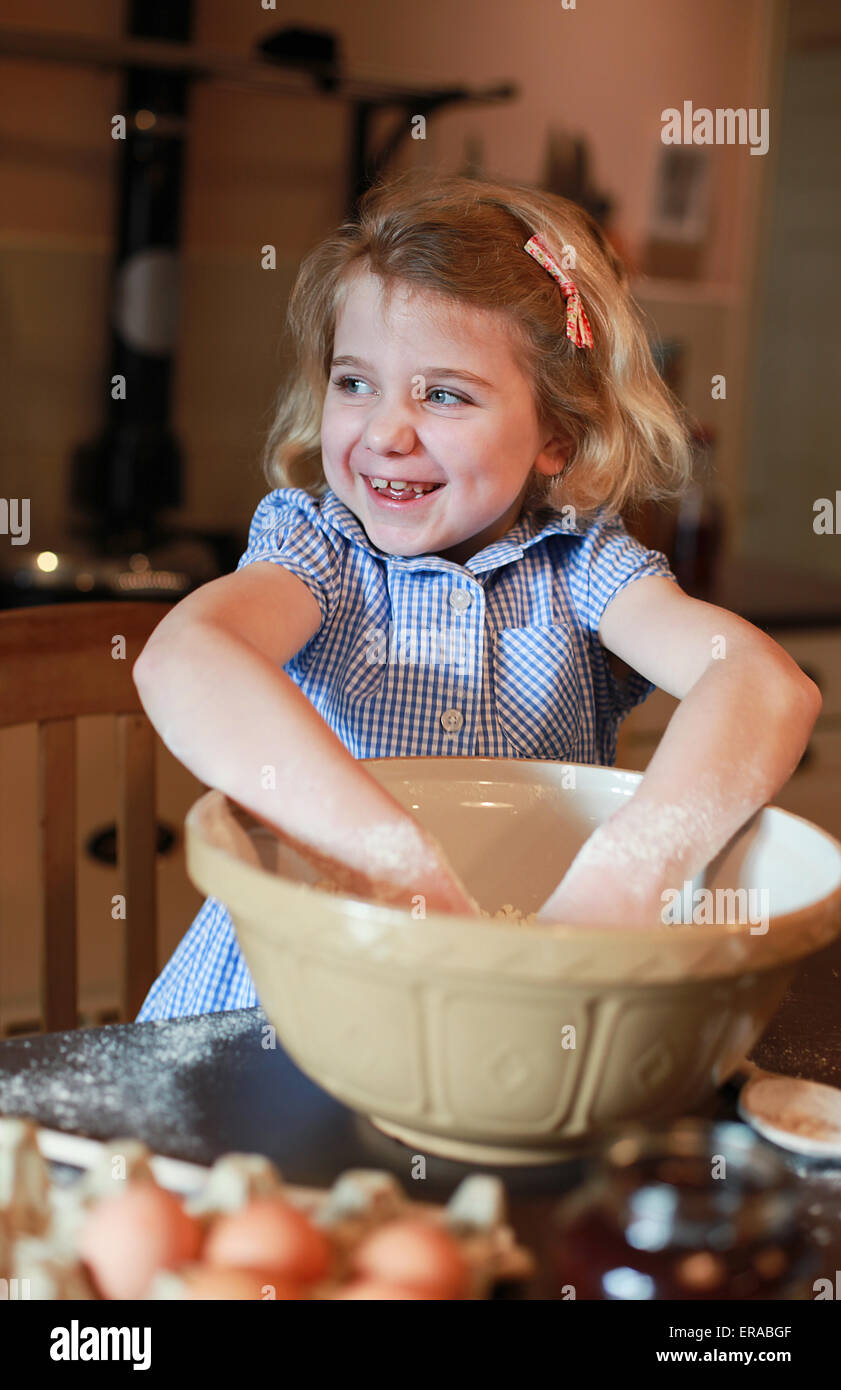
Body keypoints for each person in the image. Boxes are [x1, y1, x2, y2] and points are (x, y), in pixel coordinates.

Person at [133, 171, 819, 1021]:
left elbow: (762, 684)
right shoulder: (318, 551)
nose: (385, 431)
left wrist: (619, 884)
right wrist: (394, 862)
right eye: (354, 383)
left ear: (555, 437)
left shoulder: (582, 569)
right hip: (284, 1006)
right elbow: (185, 658)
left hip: (521, 1004)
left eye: (444, 394)